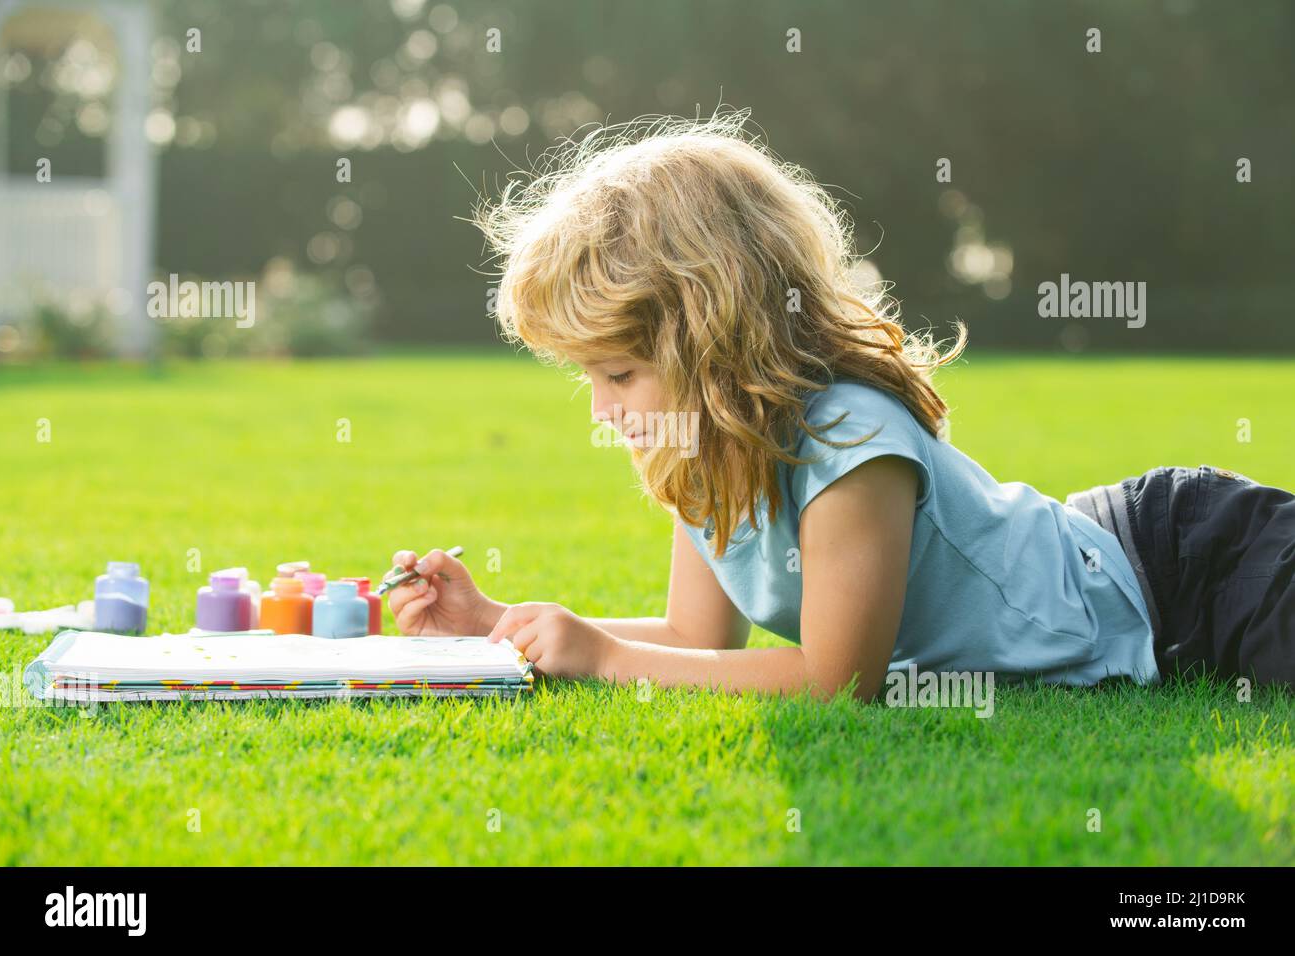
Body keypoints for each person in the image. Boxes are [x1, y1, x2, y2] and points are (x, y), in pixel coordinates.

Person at [386, 111, 1295, 699]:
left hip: (1188, 564)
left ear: (714, 340)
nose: (600, 408)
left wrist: (603, 656)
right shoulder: (700, 450)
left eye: (619, 375)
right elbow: (693, 637)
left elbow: (836, 680)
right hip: (1130, 577)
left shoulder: (851, 439)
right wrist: (497, 623)